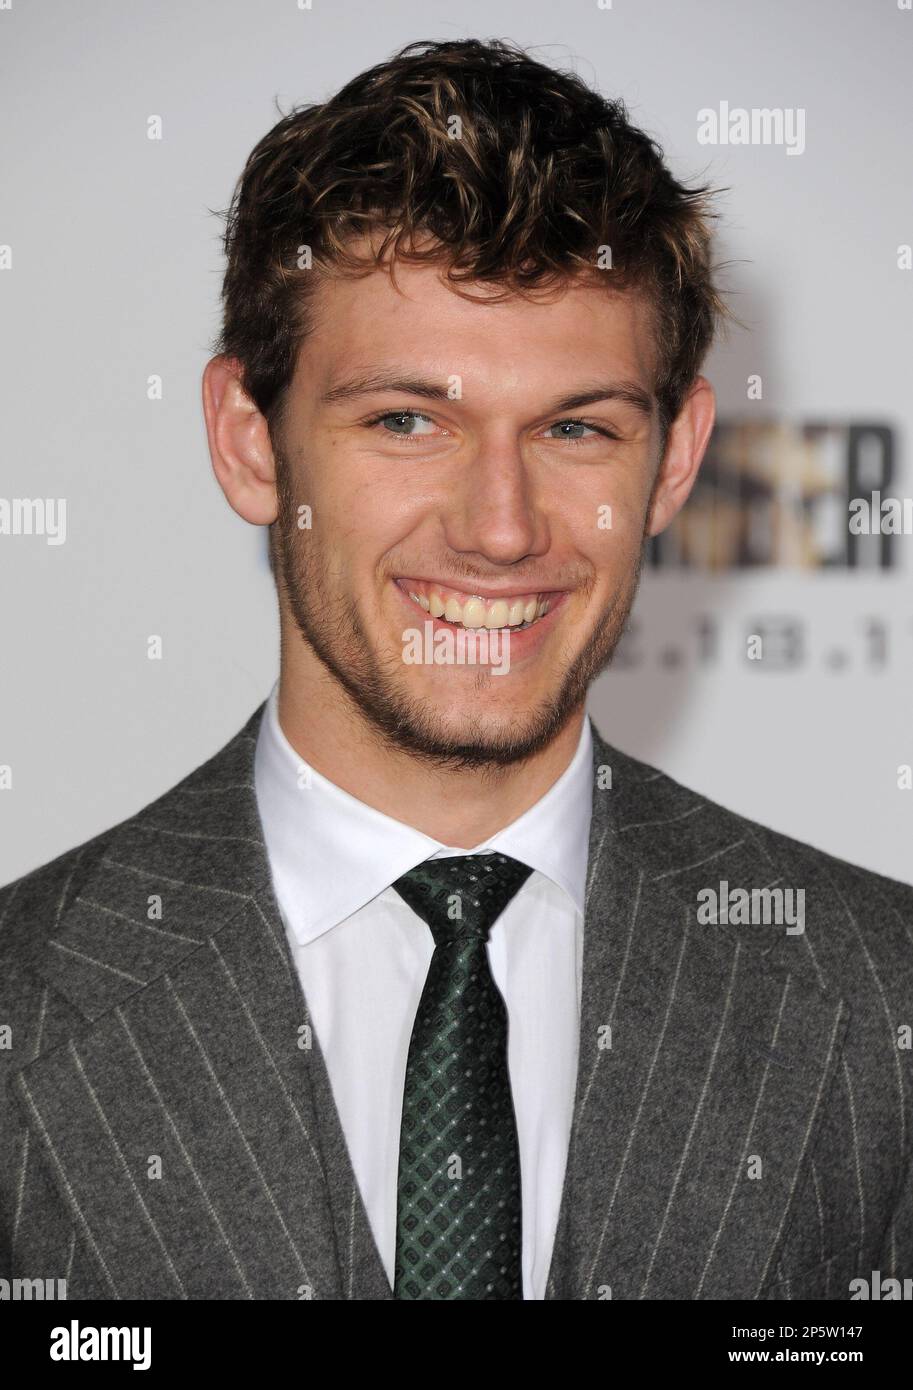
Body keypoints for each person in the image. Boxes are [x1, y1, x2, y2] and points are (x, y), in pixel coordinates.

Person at [1, 37, 910, 1302]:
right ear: (248, 442)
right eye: (406, 421)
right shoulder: (23, 1002)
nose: (499, 525)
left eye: (578, 427)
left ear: (679, 458)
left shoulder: (878, 999)